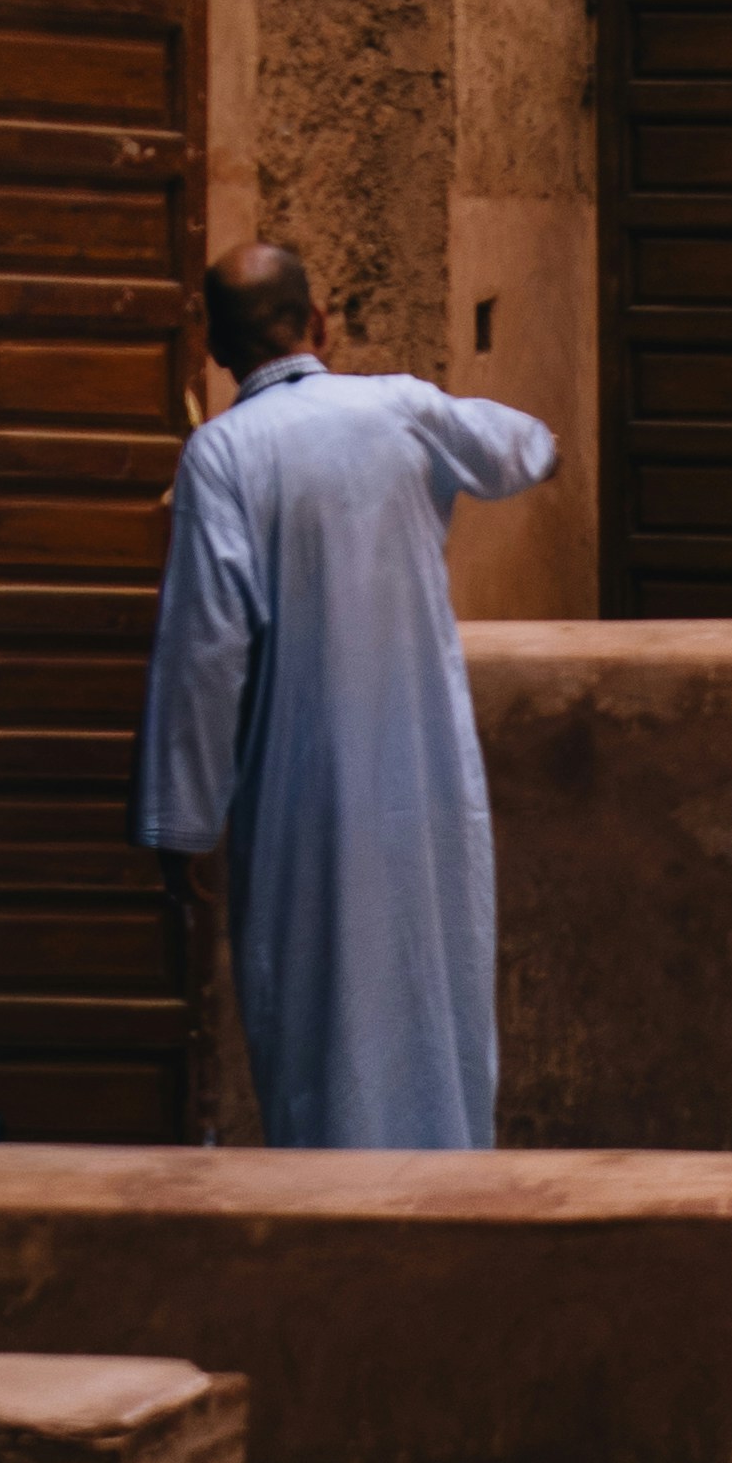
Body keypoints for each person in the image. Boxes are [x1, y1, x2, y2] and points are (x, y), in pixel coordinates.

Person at [137, 239, 560, 1151]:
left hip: (300, 797)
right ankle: (446, 1195)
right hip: (426, 782)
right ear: (319, 325)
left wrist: (182, 825)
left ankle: (336, 1207)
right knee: (434, 991)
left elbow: (207, 651)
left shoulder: (221, 455)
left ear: (217, 346)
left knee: (316, 1015)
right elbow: (528, 447)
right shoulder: (402, 408)